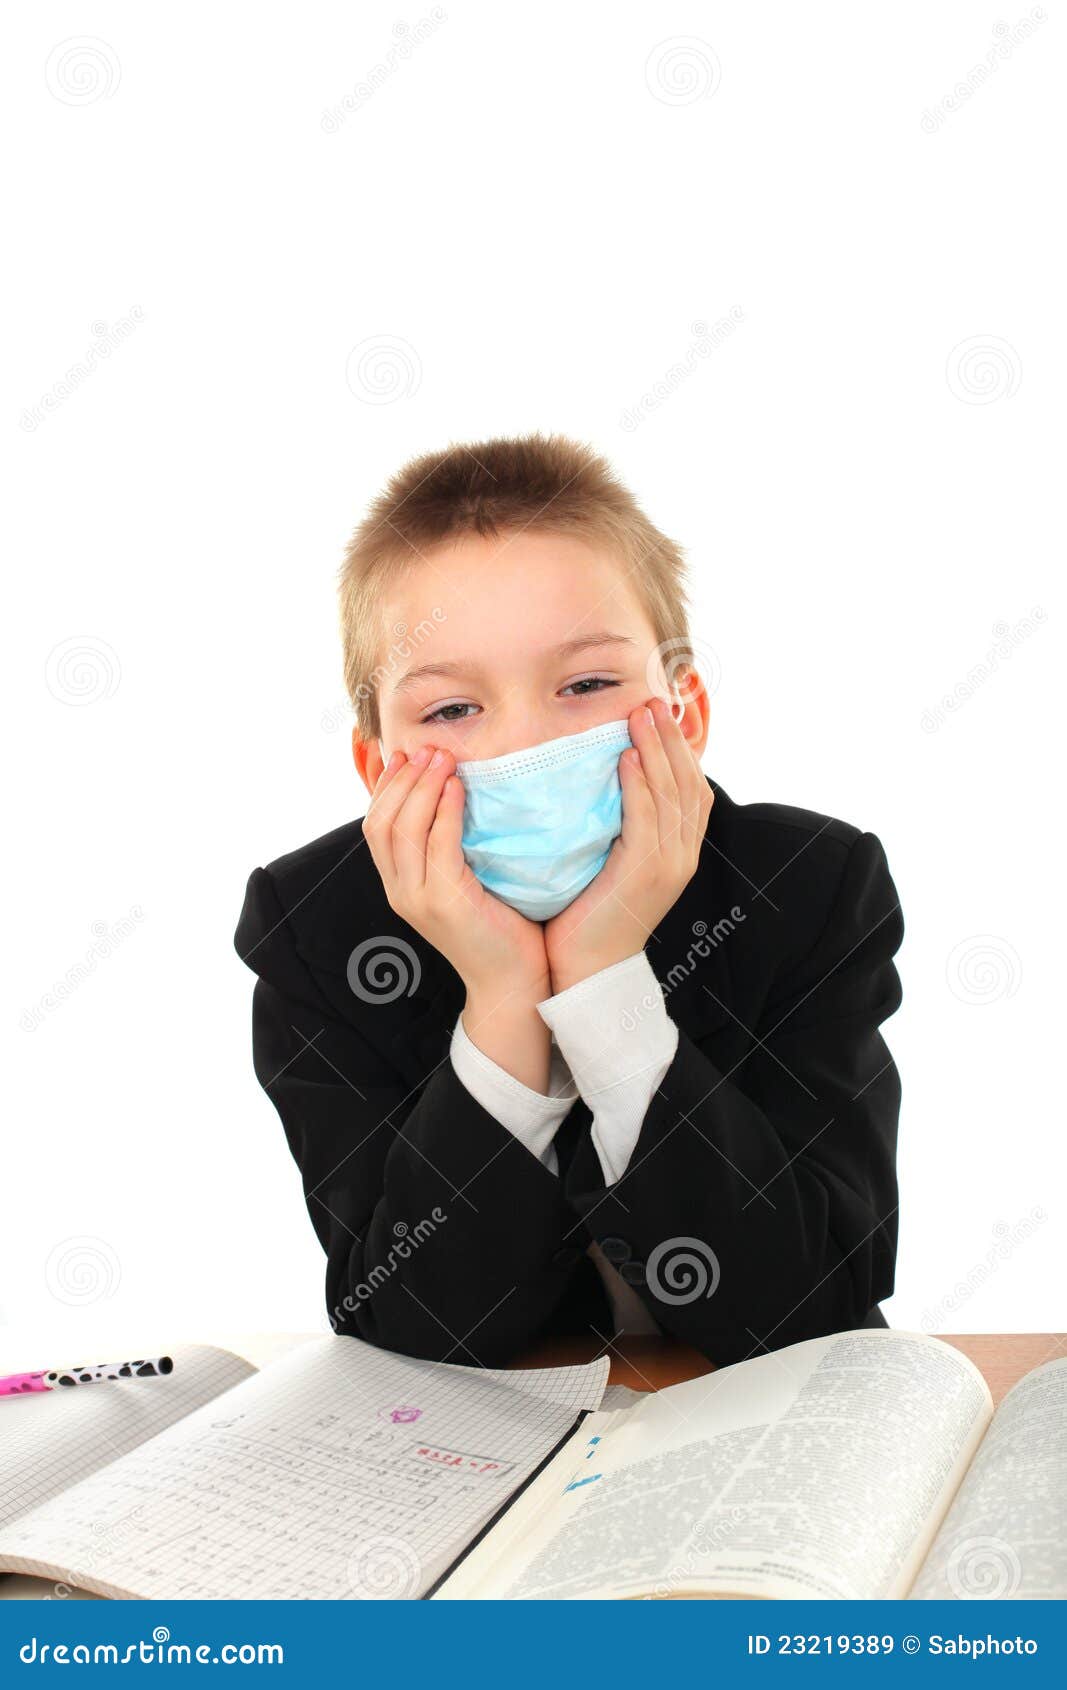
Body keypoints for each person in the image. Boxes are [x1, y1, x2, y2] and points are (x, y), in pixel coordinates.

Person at [233, 432, 904, 1367]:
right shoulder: (314, 929)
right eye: (451, 709)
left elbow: (813, 1311)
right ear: (376, 765)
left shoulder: (808, 888)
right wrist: (506, 1001)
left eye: (585, 684)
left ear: (684, 714)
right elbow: (411, 1328)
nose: (524, 744)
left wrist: (603, 979)